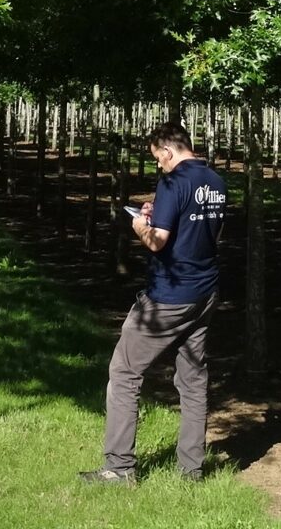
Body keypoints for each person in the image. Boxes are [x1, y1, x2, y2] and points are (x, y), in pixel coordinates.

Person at [79, 120, 229, 486]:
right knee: (193, 381)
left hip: (168, 297)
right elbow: (207, 230)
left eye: (157, 159)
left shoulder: (173, 181)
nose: (158, 165)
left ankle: (119, 468)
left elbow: (159, 241)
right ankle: (191, 471)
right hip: (205, 292)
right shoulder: (216, 181)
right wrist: (157, 213)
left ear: (167, 150)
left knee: (124, 372)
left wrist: (141, 228)